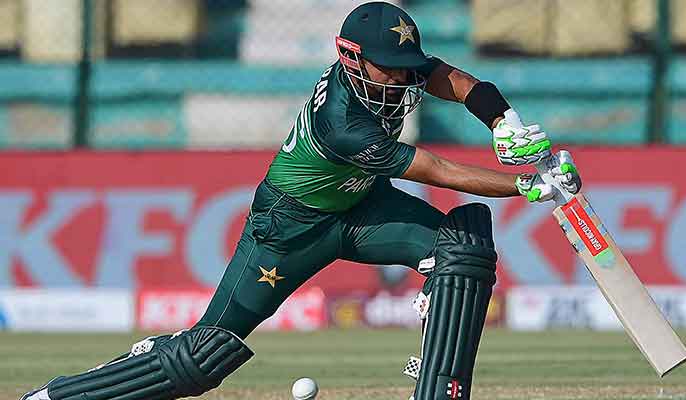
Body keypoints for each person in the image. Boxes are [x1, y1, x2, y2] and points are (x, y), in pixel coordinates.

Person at [21, 2, 581, 400]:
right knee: (202, 359)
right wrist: (530, 184)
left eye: (406, 65)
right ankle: (59, 396)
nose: (402, 78)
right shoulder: (344, 122)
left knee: (463, 252)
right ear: (351, 57)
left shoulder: (395, 66)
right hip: (287, 229)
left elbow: (455, 81)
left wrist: (503, 120)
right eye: (389, 66)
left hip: (362, 209)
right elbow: (437, 170)